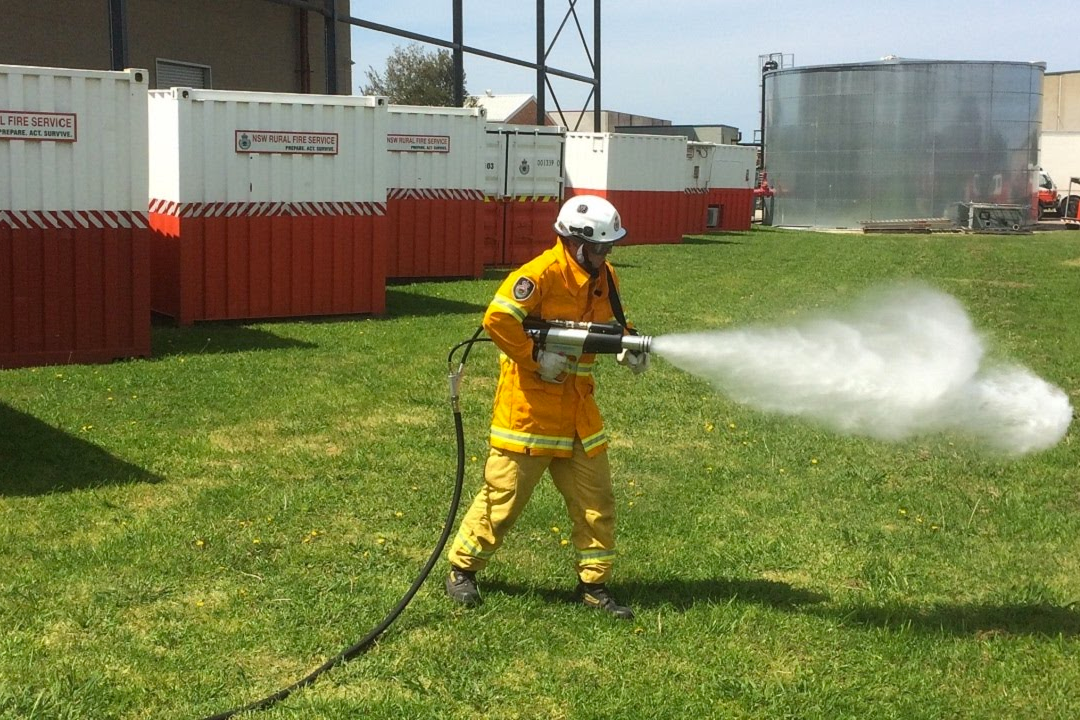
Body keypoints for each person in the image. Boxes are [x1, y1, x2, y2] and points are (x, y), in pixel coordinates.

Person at [444, 195, 649, 620]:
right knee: (505, 498)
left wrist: (627, 346)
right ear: (575, 242)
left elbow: (611, 321)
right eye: (600, 247)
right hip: (530, 410)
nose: (606, 254)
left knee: (597, 500)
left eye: (609, 247)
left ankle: (593, 584)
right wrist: (535, 358)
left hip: (577, 411)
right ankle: (462, 568)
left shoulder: (603, 276)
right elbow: (497, 319)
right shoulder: (537, 275)